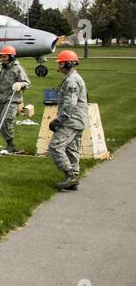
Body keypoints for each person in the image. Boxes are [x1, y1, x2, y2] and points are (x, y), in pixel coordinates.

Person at [48, 50, 88, 191]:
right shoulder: (74, 78)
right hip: (78, 119)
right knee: (72, 149)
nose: (58, 66)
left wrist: (59, 120)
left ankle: (69, 175)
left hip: (71, 120)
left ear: (68, 63)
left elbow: (70, 103)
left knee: (55, 147)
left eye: (60, 63)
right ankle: (74, 177)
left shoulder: (72, 81)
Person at [0, 45, 30, 154]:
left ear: (11, 56)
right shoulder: (2, 68)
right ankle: (9, 144)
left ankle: (11, 145)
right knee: (0, 124)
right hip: (2, 99)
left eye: (5, 56)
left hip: (13, 100)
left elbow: (27, 83)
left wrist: (20, 84)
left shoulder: (18, 68)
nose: (3, 58)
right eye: (2, 56)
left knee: (6, 121)